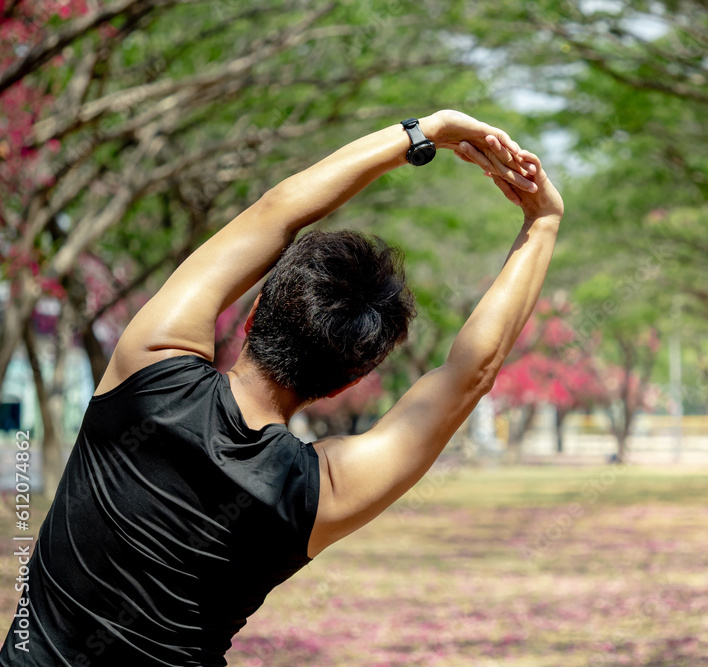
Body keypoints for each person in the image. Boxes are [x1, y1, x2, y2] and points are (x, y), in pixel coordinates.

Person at [0, 110, 564, 666]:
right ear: (349, 381)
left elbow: (277, 212)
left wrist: (425, 133)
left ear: (254, 313)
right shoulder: (322, 492)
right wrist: (541, 223)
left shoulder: (149, 366)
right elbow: (468, 376)